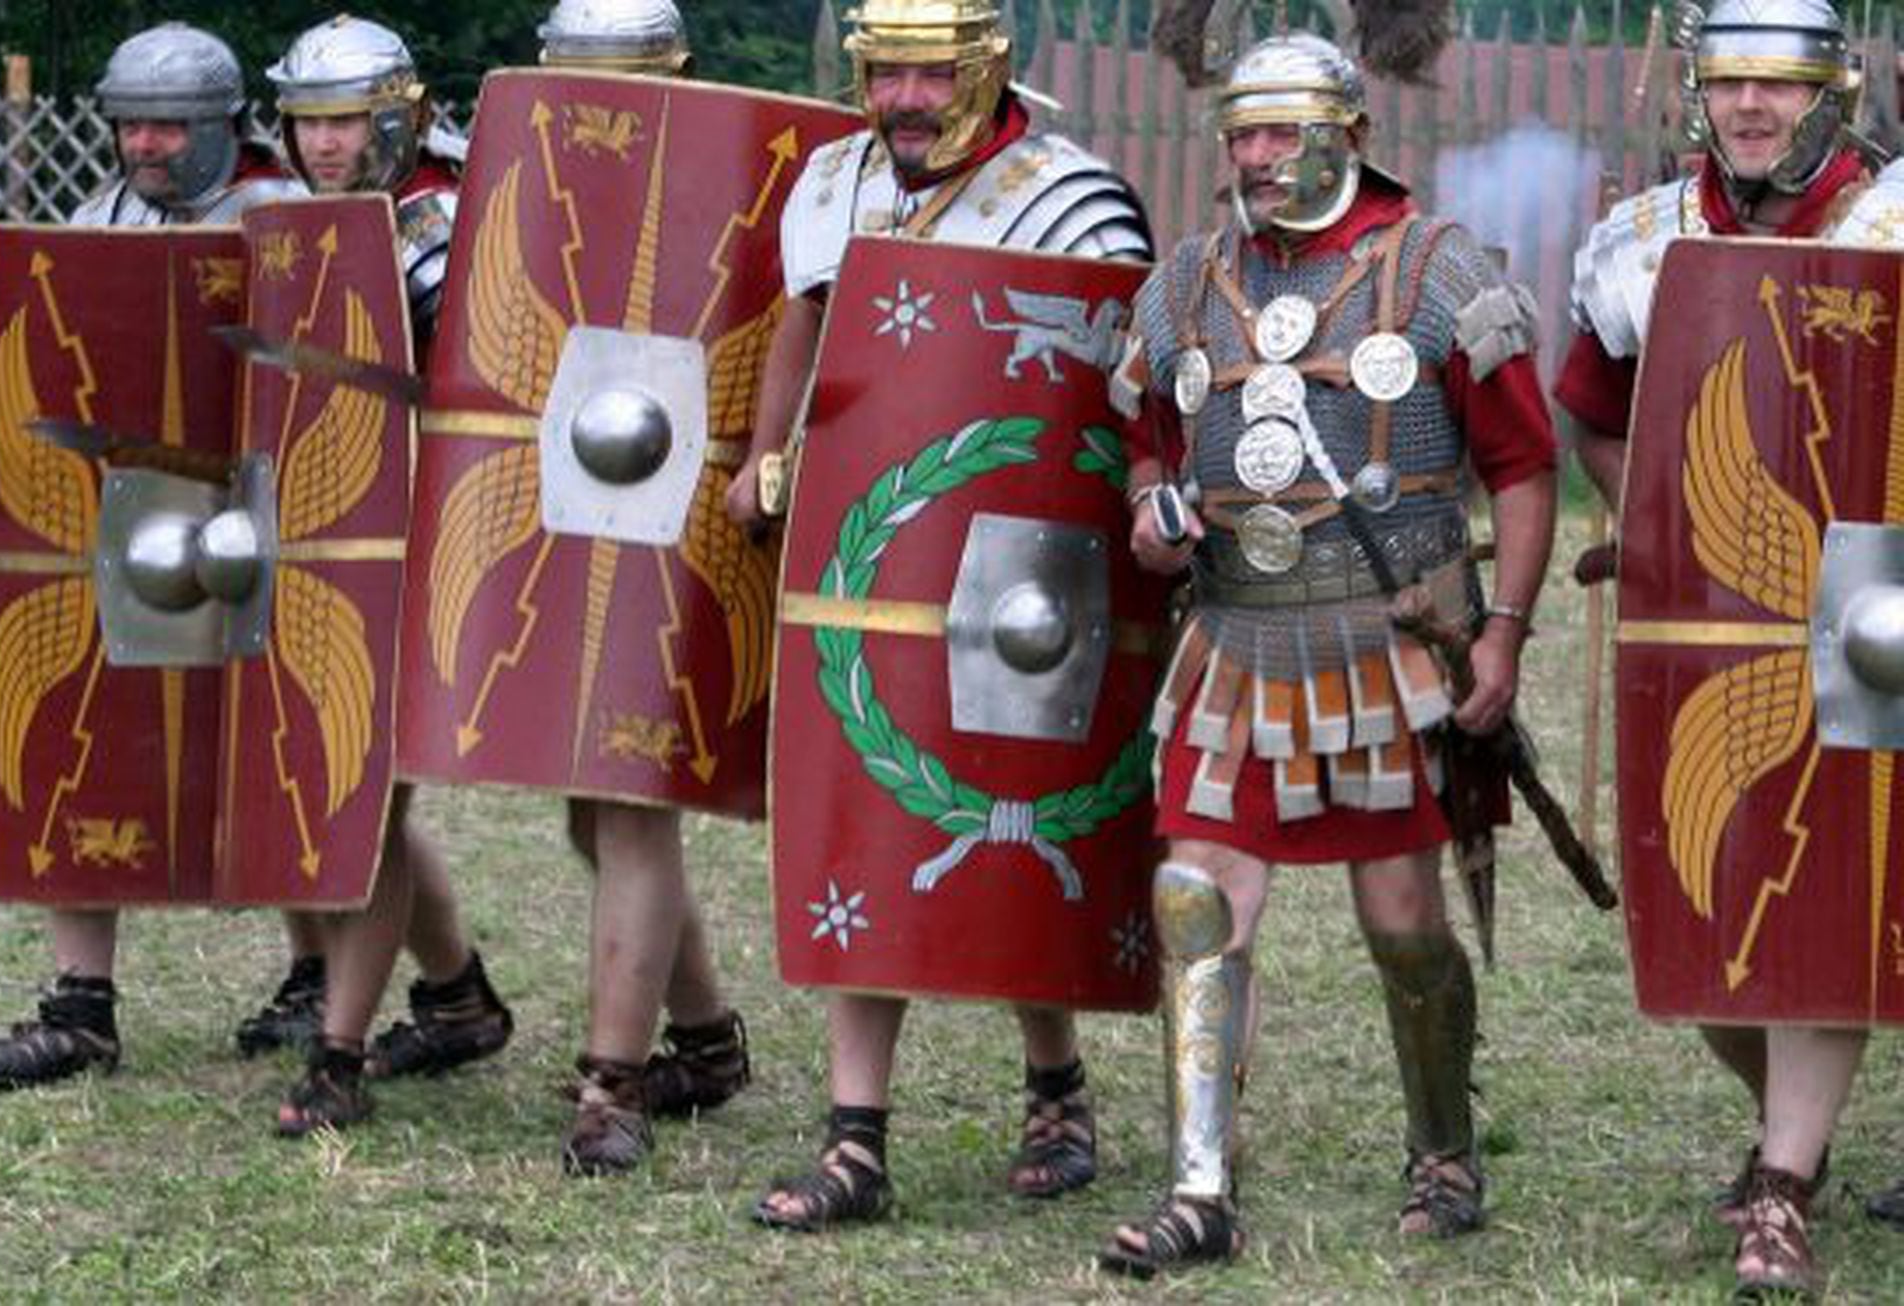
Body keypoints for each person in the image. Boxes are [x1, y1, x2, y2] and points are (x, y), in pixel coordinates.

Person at [1096, 29, 1557, 1277]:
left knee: (1404, 923)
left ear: (1343, 133)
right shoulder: (1185, 282)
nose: (1251, 157)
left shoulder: (1437, 270)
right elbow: (1145, 438)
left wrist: (1501, 633)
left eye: (1277, 132)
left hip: (1386, 645)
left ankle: (1444, 1147)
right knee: (1197, 901)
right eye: (1238, 134)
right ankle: (1199, 1188)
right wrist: (1150, 511)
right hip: (1234, 639)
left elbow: (1521, 466)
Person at [729, 0, 1152, 1230]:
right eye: (884, 71)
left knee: (1016, 810)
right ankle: (855, 1140)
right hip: (876, 560)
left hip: (1028, 564)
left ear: (985, 66)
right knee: (871, 809)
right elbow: (806, 321)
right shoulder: (834, 182)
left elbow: (1118, 382)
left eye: (930, 72)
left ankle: (1056, 1088)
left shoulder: (1069, 198)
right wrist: (766, 458)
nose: (905, 99)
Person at [1556, 1, 1895, 1294]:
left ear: (1833, 92)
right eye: (1730, 83)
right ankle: (1787, 1137)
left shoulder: (1893, 223)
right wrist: (1655, 521)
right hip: (1719, 634)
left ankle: (1785, 1186)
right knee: (1718, 910)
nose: (1752, 107)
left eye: (1782, 84)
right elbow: (1590, 407)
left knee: (1844, 906)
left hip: (1878, 629)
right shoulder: (1648, 241)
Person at [0, 21, 307, 1092]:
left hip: (262, 524)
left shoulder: (285, 221)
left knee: (279, 747)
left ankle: (317, 973)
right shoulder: (93, 222)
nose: (144, 146)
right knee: (81, 730)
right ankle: (80, 1003)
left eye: (167, 126)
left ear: (221, 125)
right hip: (129, 530)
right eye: (130, 126)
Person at [259, 14, 514, 1137]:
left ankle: (338, 1055)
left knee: (363, 800)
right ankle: (456, 996)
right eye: (307, 121)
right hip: (314, 537)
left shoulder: (449, 228)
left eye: (343, 121)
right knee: (343, 788)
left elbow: (479, 403)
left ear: (398, 116)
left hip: (417, 540)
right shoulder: (302, 223)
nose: (321, 142)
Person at [532, 0, 754, 1178]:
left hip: (682, 515)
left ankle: (610, 1084)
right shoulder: (529, 184)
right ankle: (707, 1040)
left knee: (630, 798)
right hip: (561, 514)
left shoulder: (734, 180)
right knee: (591, 807)